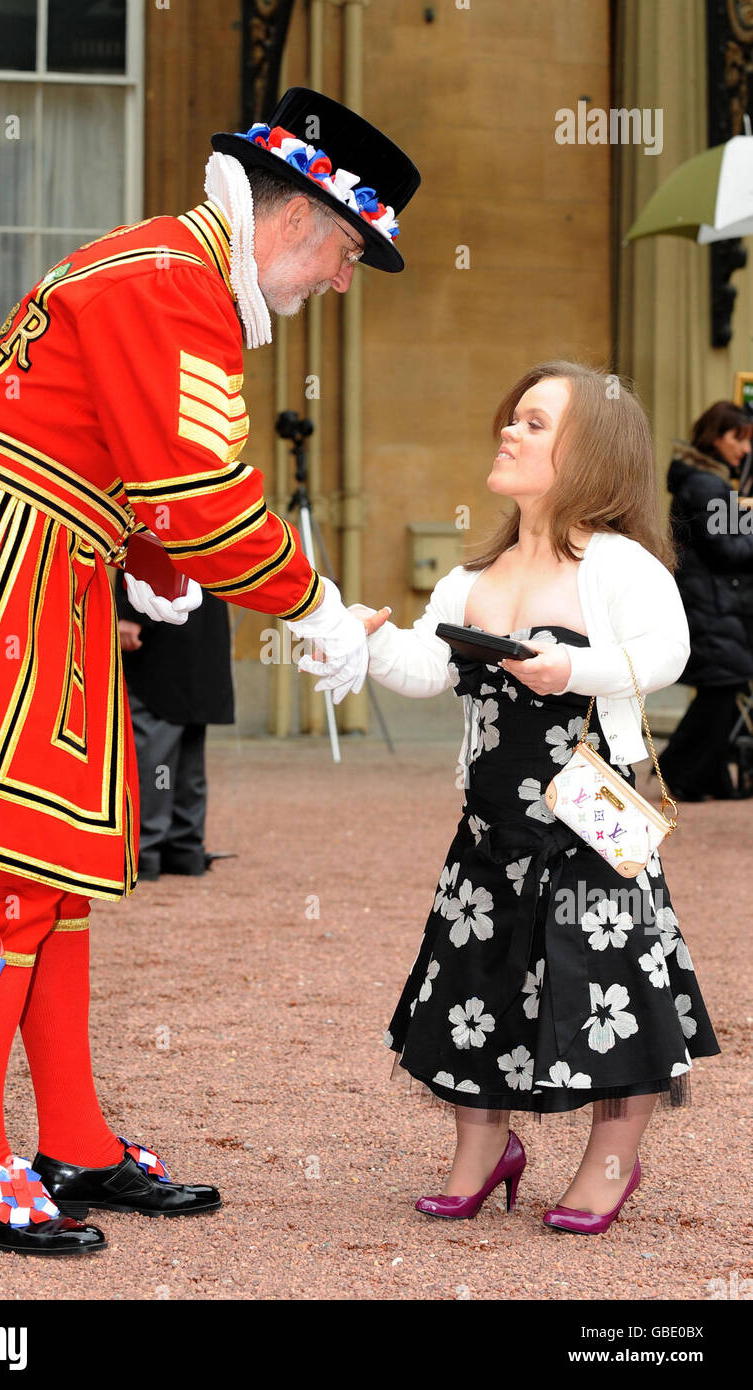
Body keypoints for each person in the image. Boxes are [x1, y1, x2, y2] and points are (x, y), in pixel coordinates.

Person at [0, 87, 419, 1254]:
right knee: (14, 877)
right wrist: (313, 604)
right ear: (294, 214)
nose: (339, 278)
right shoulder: (176, 282)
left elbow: (114, 459)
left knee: (58, 870)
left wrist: (144, 551)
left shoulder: (177, 268)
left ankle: (68, 1137)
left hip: (37, 569)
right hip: (4, 581)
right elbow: (207, 497)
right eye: (345, 250)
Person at [303, 361, 720, 1234]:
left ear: (588, 456)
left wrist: (572, 667)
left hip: (594, 821)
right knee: (475, 983)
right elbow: (429, 667)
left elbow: (668, 652)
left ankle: (613, 1160)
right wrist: (371, 643)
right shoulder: (471, 577)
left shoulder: (618, 565)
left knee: (613, 987)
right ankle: (482, 1151)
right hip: (490, 828)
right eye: (513, 418)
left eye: (533, 423)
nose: (509, 431)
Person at [658, 402, 753, 800]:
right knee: (721, 689)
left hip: (710, 602)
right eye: (739, 438)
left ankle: (709, 778)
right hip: (711, 605)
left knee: (722, 689)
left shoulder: (702, 482)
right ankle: (679, 773)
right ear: (717, 436)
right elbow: (729, 550)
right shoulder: (708, 485)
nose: (746, 450)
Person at [115, 575, 234, 879]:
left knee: (155, 745)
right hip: (200, 622)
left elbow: (151, 541)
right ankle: (183, 847)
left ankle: (146, 849)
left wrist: (131, 613)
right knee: (186, 747)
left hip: (163, 625)